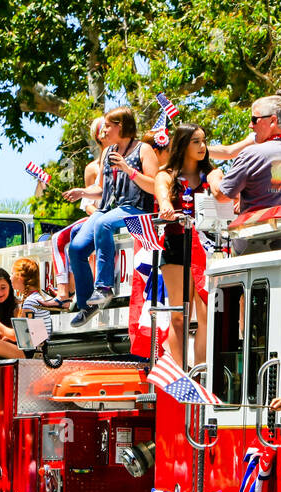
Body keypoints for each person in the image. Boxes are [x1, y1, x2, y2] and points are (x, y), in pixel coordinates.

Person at [63, 106, 159, 311]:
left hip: (136, 208)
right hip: (108, 209)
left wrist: (128, 170)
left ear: (120, 126)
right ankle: (85, 305)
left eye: (107, 126)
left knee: (104, 223)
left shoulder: (144, 149)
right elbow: (103, 189)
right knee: (77, 247)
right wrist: (83, 192)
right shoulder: (108, 152)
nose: (103, 131)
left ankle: (104, 286)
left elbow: (154, 186)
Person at [154, 124, 224, 367]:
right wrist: (165, 206)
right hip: (176, 243)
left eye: (204, 141)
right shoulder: (166, 175)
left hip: (207, 247)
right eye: (196, 141)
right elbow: (162, 195)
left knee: (206, 315)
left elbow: (222, 191)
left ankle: (201, 373)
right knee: (179, 317)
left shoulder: (213, 172)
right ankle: (179, 371)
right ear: (183, 145)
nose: (202, 147)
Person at [214, 96, 281, 252]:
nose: (250, 125)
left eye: (254, 120)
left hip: (256, 247)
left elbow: (222, 195)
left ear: (272, 121)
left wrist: (214, 177)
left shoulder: (252, 154)